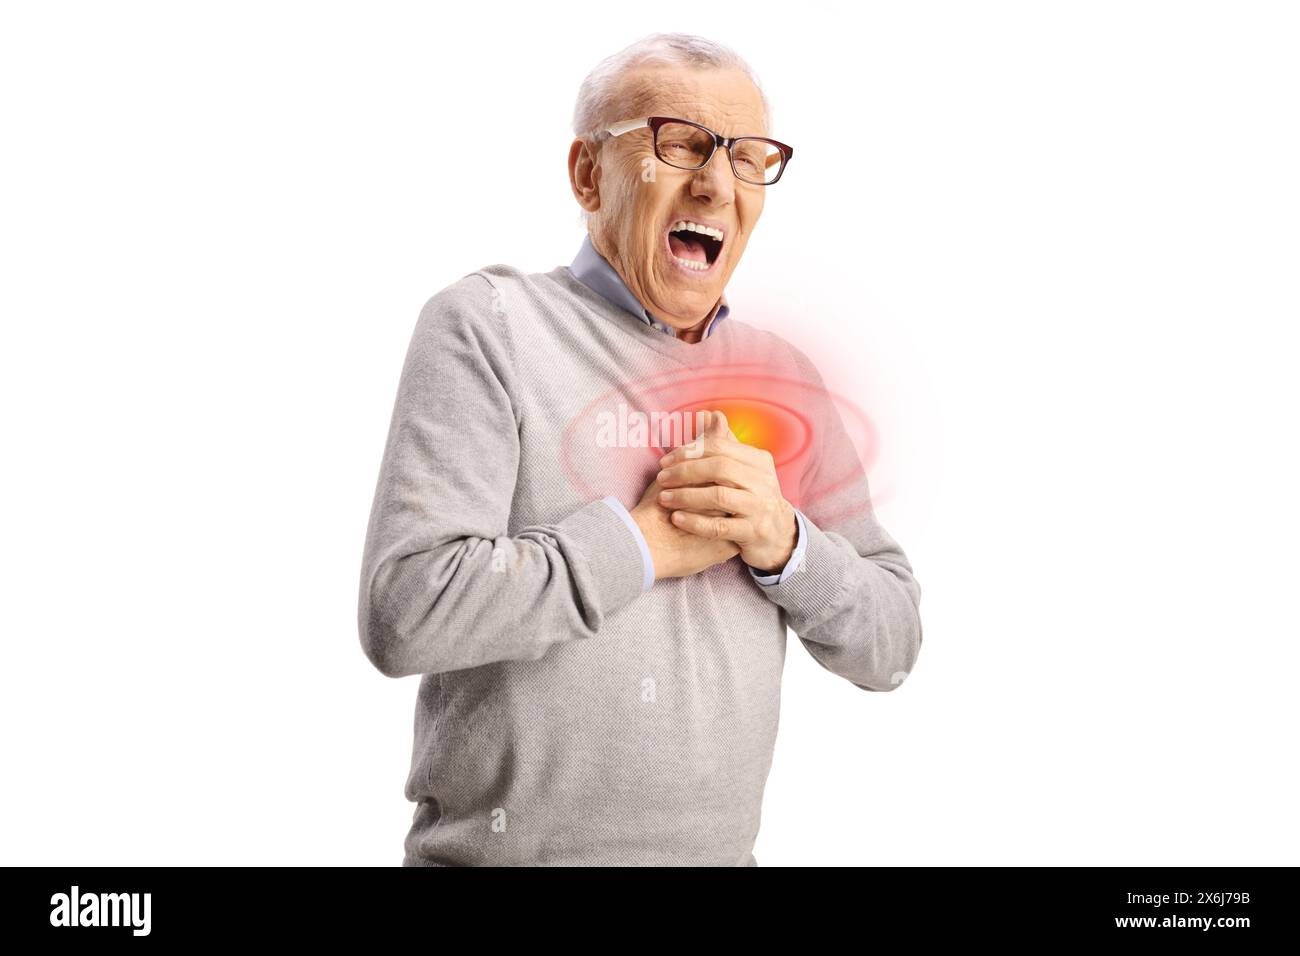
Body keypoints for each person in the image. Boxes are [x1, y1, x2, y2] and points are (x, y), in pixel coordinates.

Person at [357, 32, 923, 866]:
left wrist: (783, 543)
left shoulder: (782, 373)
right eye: (680, 142)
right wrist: (640, 544)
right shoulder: (491, 326)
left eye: (746, 156)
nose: (717, 183)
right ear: (589, 174)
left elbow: (893, 642)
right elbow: (408, 612)